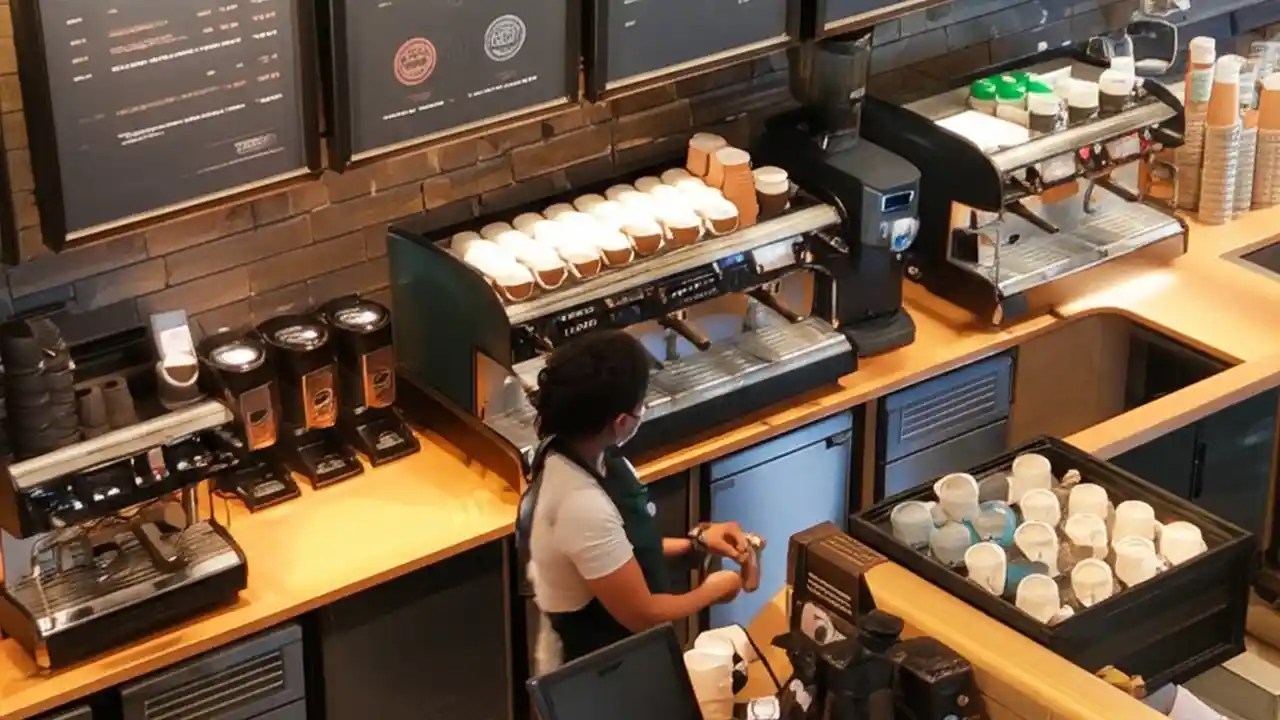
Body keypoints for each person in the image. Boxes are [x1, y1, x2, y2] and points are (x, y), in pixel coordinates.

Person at [519, 330, 759, 673]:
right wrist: (711, 591)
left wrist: (698, 545)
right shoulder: (578, 503)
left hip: (624, 658)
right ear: (619, 422)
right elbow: (642, 614)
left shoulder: (598, 456)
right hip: (592, 673)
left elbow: (617, 554)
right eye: (640, 405)